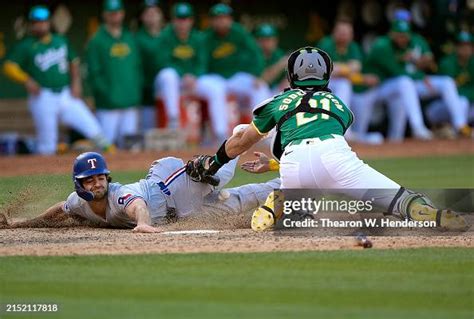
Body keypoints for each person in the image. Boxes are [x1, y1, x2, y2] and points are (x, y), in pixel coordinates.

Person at [185, 46, 468, 232]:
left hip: (293, 165)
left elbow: (242, 142)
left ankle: (281, 203)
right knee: (399, 199)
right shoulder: (340, 106)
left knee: (288, 173)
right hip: (336, 159)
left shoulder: (277, 101)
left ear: (291, 75)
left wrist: (214, 161)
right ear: (327, 74)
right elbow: (320, 148)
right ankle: (425, 211)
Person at [1, 150, 280, 232]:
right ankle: (298, 182)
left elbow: (136, 206)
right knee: (245, 198)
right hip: (183, 213)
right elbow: (60, 210)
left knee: (220, 167)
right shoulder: (78, 202)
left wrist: (143, 224)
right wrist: (22, 223)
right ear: (80, 185)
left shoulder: (117, 194)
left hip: (176, 186)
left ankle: (247, 131)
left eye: (100, 178)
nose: (97, 183)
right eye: (90, 180)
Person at [2, 5, 112, 155]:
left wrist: (76, 83)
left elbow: (73, 62)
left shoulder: (60, 40)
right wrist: (26, 80)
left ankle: (116, 160)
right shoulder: (26, 45)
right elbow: (9, 66)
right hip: (43, 97)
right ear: (32, 25)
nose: (40, 25)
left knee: (93, 128)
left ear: (49, 22)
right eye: (36, 22)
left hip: (65, 94)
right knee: (47, 144)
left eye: (43, 21)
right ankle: (46, 175)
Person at [153, 2, 228, 140]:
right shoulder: (165, 36)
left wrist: (194, 76)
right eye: (179, 18)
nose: (183, 22)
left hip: (192, 80)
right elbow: (162, 62)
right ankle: (173, 121)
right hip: (169, 83)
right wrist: (184, 75)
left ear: (191, 20)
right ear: (173, 20)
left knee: (216, 87)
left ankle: (220, 133)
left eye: (186, 18)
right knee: (168, 74)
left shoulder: (197, 38)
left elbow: (202, 62)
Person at [202, 3, 271, 125]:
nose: (221, 21)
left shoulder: (239, 32)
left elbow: (256, 53)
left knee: (260, 87)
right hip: (216, 79)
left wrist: (258, 75)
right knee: (216, 91)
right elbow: (200, 62)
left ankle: (265, 129)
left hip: (236, 77)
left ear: (230, 19)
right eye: (217, 18)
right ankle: (221, 135)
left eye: (224, 17)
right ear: (212, 21)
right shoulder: (206, 37)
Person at [86, 0, 142, 147]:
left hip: (130, 102)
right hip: (108, 106)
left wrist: (135, 93)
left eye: (117, 13)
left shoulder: (130, 37)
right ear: (105, 15)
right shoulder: (96, 40)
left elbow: (137, 67)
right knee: (105, 147)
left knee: (130, 147)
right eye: (111, 14)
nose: (114, 17)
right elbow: (94, 74)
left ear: (122, 14)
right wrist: (107, 95)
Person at [427, 31, 473, 135]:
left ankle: (449, 130)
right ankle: (459, 129)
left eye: (468, 46)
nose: (465, 49)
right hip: (440, 106)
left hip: (467, 106)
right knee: (462, 101)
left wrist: (467, 93)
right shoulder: (446, 63)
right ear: (456, 47)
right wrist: (468, 93)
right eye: (461, 46)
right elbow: (448, 93)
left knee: (464, 101)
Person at [135, 0, 165, 132]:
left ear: (161, 15)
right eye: (148, 13)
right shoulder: (136, 38)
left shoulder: (169, 35)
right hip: (147, 96)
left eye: (155, 12)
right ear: (142, 17)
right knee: (148, 135)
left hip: (167, 97)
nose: (152, 15)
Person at [254, 23, 289, 94]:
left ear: (276, 41)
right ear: (257, 41)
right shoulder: (252, 56)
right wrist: (281, 64)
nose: (267, 43)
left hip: (275, 91)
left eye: (270, 39)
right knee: (261, 88)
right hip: (257, 93)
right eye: (263, 40)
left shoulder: (279, 54)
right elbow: (260, 81)